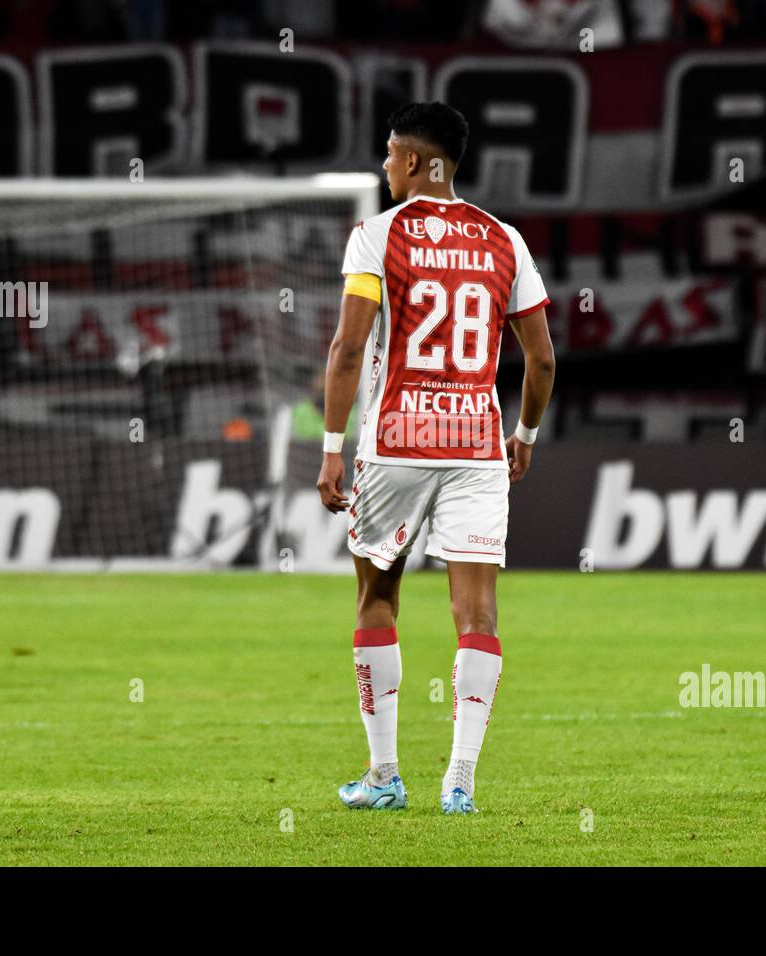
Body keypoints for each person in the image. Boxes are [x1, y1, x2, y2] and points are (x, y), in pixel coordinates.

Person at [316, 102, 556, 814]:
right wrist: (525, 436)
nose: (385, 166)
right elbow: (540, 360)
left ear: (418, 161)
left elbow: (348, 350)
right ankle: (461, 781)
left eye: (391, 154)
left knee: (377, 598)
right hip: (478, 445)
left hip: (395, 441)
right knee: (477, 617)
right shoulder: (504, 240)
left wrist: (332, 450)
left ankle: (385, 776)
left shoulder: (376, 237)